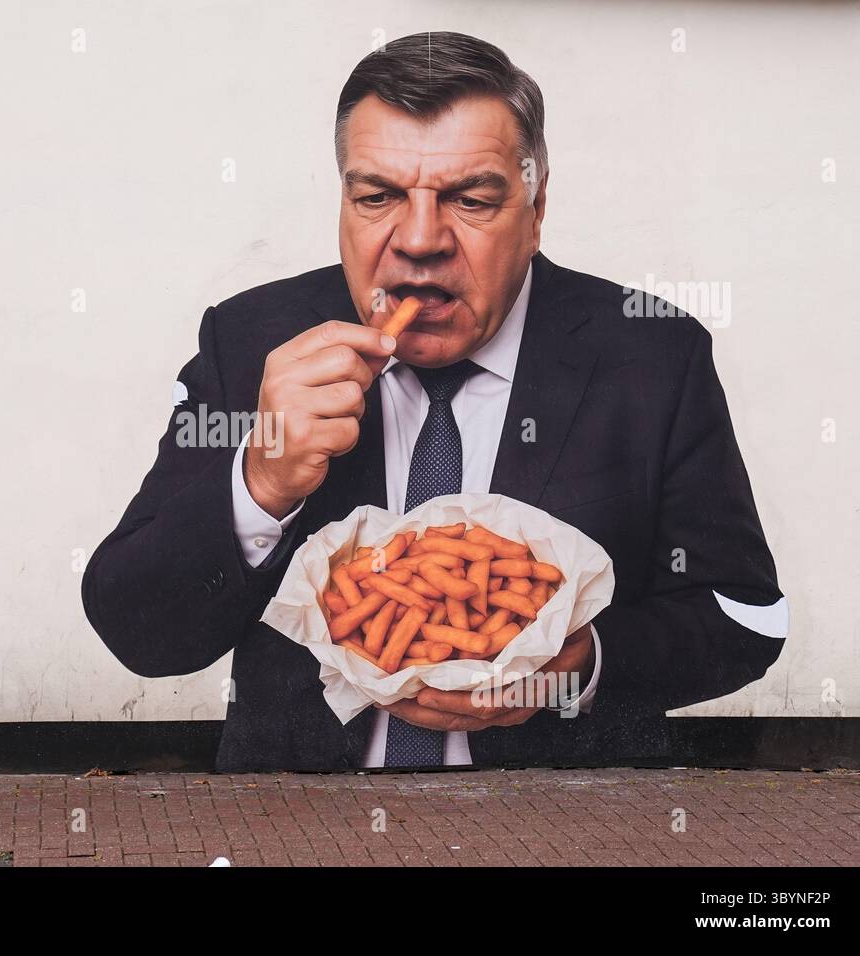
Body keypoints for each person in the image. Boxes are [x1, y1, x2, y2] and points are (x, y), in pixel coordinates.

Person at [81, 32, 788, 772]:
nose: (419, 241)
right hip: (299, 825)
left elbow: (749, 616)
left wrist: (579, 665)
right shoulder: (251, 341)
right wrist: (260, 483)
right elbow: (138, 633)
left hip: (567, 829)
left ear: (536, 206)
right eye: (378, 196)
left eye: (472, 199)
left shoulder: (652, 354)